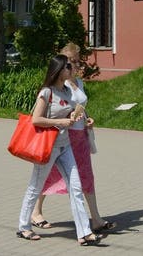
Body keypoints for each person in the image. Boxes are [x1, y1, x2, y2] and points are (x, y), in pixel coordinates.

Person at [17, 53, 102, 244]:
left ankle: (84, 233)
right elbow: (36, 119)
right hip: (48, 147)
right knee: (35, 186)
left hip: (66, 146)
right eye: (67, 67)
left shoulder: (66, 91)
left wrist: (81, 118)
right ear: (58, 70)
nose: (70, 69)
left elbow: (71, 112)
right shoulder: (46, 92)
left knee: (76, 187)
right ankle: (23, 226)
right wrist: (61, 121)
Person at [31, 43, 115, 235]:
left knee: (86, 176)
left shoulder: (79, 82)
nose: (75, 66)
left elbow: (80, 107)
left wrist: (87, 119)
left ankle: (96, 218)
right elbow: (58, 109)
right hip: (64, 137)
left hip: (81, 136)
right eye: (71, 62)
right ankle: (36, 212)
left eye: (77, 61)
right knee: (52, 174)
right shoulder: (61, 84)